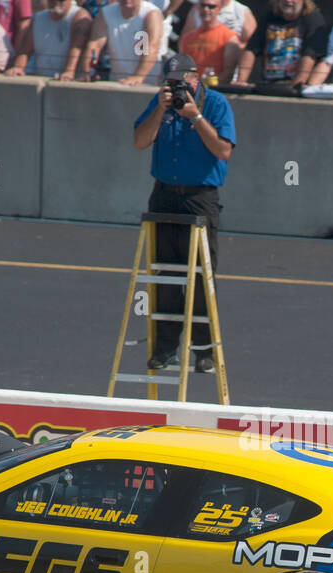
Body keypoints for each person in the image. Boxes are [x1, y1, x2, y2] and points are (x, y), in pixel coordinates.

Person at [133, 53, 236, 374]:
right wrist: (162, 109)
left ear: (196, 76)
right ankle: (164, 349)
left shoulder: (215, 103)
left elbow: (223, 150)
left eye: (183, 80)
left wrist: (194, 116)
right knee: (164, 273)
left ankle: (203, 349)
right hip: (164, 194)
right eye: (171, 81)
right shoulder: (160, 102)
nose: (178, 87)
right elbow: (139, 141)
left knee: (202, 276)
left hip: (199, 196)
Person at [234, 0, 327, 92]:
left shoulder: (313, 19)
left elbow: (309, 56)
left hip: (294, 85)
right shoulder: (270, 16)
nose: (288, 1)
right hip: (268, 83)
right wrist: (241, 82)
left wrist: (296, 87)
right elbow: (250, 50)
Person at [78, 0, 166, 84]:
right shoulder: (106, 12)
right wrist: (87, 71)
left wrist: (138, 77)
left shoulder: (152, 14)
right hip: (118, 82)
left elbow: (152, 47)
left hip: (149, 84)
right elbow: (94, 45)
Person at [5, 0, 90, 77]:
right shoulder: (38, 18)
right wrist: (18, 67)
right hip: (42, 77)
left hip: (70, 81)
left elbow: (77, 47)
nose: (56, 2)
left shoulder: (79, 16)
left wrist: (68, 72)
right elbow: (25, 50)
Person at [180, 0, 242, 81]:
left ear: (219, 9)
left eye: (211, 7)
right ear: (198, 7)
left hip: (215, 89)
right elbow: (182, 69)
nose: (206, 9)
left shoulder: (229, 37)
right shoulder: (187, 38)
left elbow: (229, 72)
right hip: (191, 88)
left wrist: (211, 89)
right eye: (203, 6)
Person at [180, 0, 255, 46]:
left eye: (212, 7)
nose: (206, 9)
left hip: (230, 66)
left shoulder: (241, 11)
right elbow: (184, 40)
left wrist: (228, 47)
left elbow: (251, 45)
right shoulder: (200, 8)